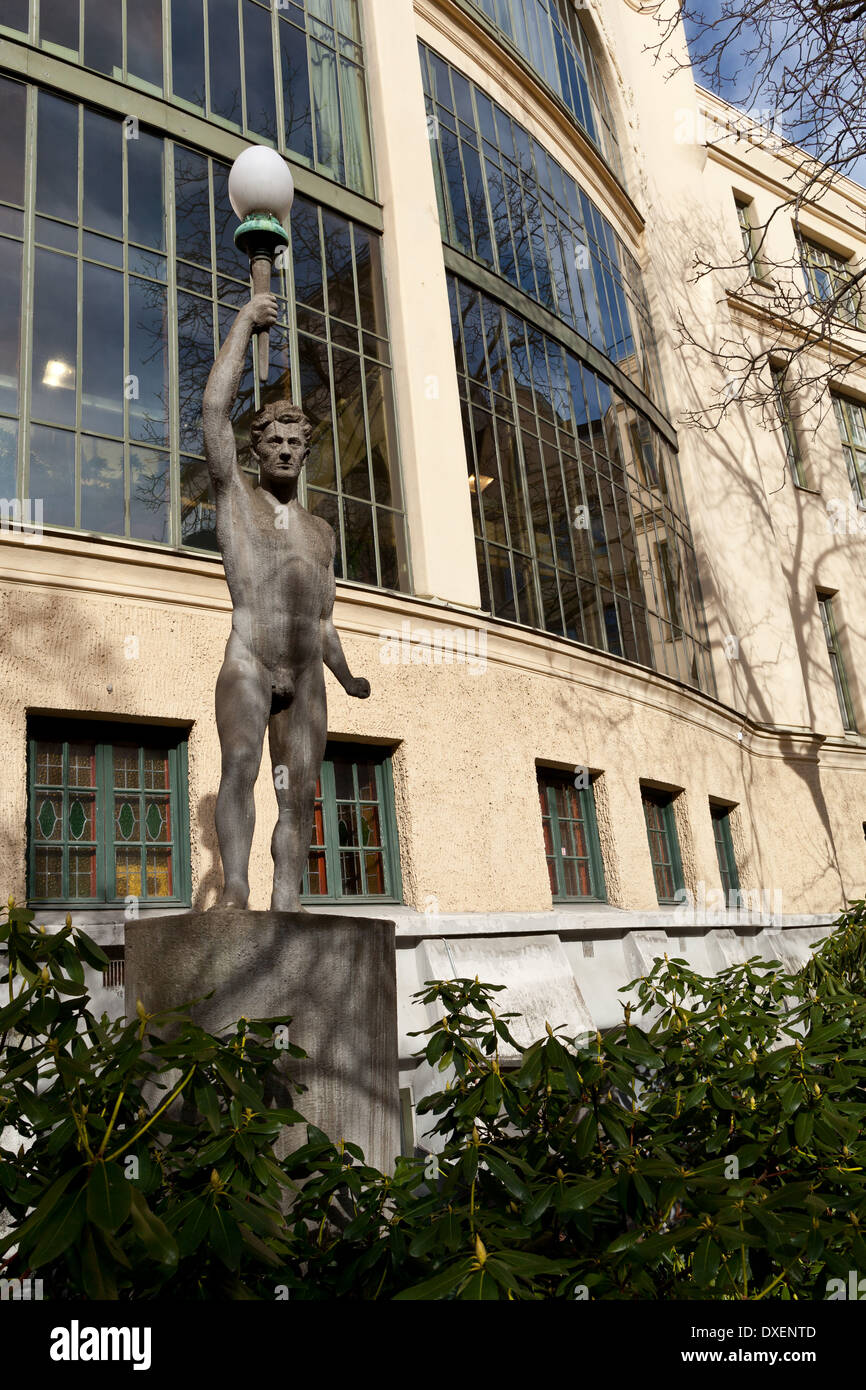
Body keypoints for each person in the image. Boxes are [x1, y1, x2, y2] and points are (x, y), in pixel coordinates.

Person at [203, 291, 371, 912]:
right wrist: (246, 323)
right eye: (270, 441)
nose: (281, 450)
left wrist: (347, 676)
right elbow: (213, 411)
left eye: (292, 443)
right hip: (249, 658)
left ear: (305, 453)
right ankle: (236, 888)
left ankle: (289, 896)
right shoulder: (236, 502)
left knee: (299, 794)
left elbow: (324, 621)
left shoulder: (321, 533)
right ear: (255, 451)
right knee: (242, 768)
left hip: (305, 673)